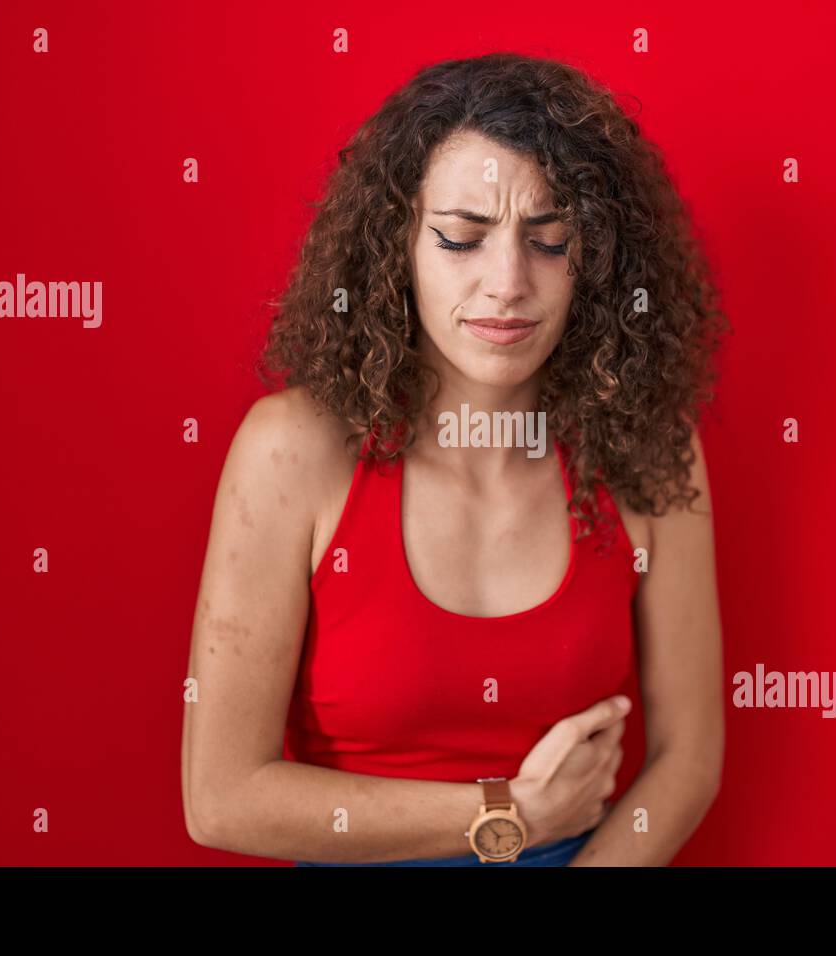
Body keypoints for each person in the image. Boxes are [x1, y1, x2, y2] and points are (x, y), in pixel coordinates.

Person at [181, 52, 729, 866]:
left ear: (599, 260)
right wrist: (511, 815)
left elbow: (689, 758)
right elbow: (220, 799)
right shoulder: (290, 451)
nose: (508, 283)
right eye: (461, 239)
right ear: (396, 246)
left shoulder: (648, 444)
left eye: (549, 242)